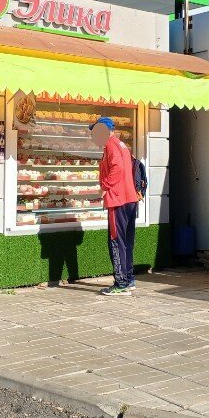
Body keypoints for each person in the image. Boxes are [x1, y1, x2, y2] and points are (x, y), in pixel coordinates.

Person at [90, 117, 139, 296]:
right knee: (127, 242)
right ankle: (128, 279)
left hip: (117, 199)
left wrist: (105, 186)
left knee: (116, 242)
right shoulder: (121, 145)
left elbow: (117, 168)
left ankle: (121, 283)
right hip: (129, 198)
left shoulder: (111, 145)